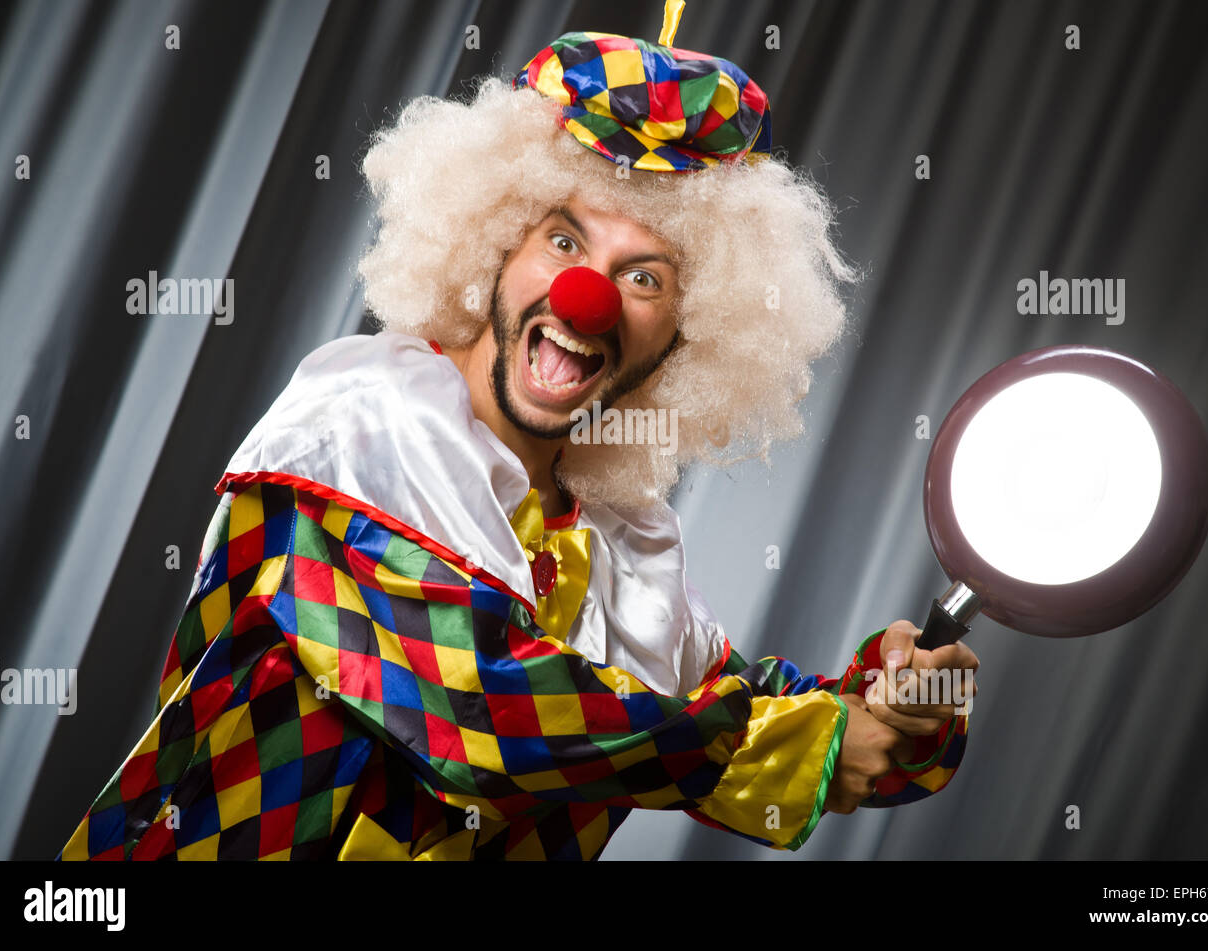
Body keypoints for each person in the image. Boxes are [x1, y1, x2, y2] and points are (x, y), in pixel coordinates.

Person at [59, 18, 977, 862]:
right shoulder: (355, 438)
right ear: (494, 245)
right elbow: (480, 713)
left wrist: (897, 701)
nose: (589, 297)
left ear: (687, 336)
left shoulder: (612, 555)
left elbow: (789, 742)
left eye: (644, 277)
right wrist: (789, 738)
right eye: (564, 241)